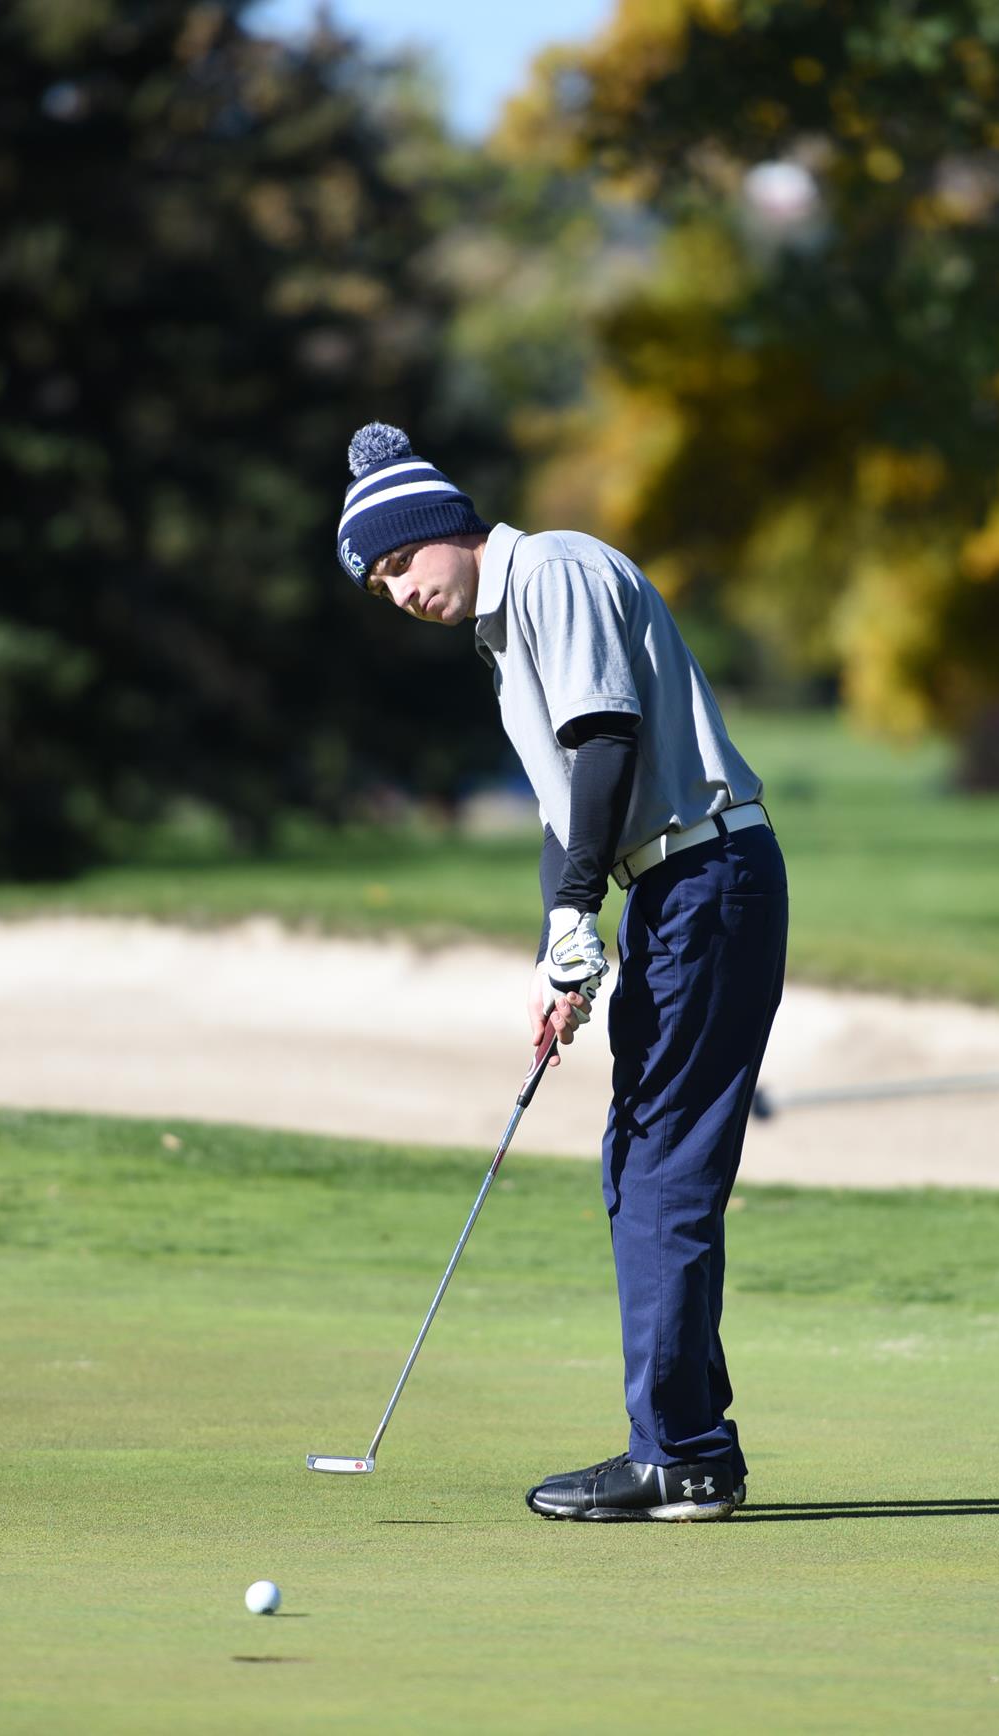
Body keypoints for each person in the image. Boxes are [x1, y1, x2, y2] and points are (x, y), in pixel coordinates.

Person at [332, 422, 788, 1522]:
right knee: (641, 1161)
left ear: (443, 527)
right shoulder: (504, 636)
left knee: (658, 1162)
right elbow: (564, 800)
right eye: (379, 583)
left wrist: (582, 906)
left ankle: (680, 1453)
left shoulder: (553, 569)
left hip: (703, 876)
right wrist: (559, 942)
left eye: (400, 564)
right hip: (677, 887)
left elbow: (606, 740)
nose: (398, 592)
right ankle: (691, 1445)